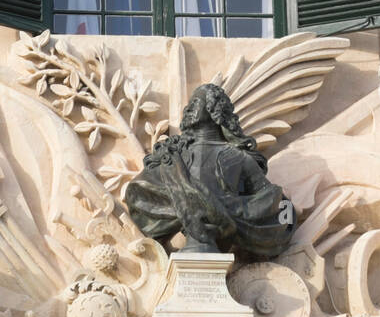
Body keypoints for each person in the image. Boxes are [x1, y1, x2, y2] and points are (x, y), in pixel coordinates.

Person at [125, 83, 295, 260]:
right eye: (189, 104)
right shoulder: (172, 157)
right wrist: (214, 206)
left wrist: (226, 207)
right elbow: (137, 193)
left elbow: (271, 199)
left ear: (213, 109)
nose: (188, 108)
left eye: (195, 103)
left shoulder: (238, 158)